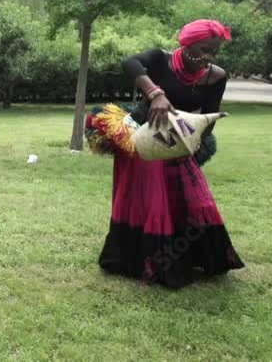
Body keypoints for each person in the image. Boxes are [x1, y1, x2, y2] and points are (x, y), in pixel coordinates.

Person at [93, 19, 245, 288]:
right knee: (151, 202)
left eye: (214, 52)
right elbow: (130, 63)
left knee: (199, 202)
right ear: (186, 45)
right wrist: (155, 93)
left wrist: (197, 143)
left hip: (178, 141)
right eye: (203, 50)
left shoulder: (216, 76)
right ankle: (143, 262)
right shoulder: (159, 59)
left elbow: (209, 118)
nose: (208, 58)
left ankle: (196, 256)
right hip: (143, 138)